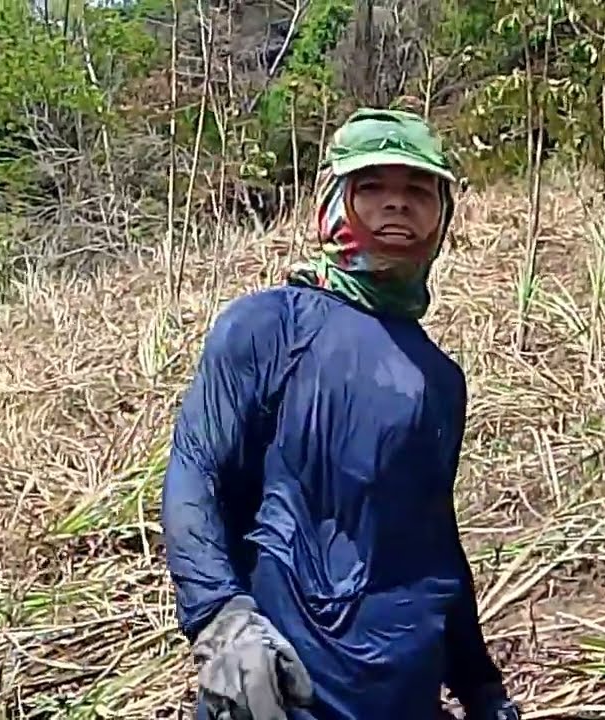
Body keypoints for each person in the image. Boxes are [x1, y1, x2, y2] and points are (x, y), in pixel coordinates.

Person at [161, 108, 521, 720]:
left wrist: (483, 689)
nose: (396, 205)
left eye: (417, 190)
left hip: (405, 694)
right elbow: (195, 473)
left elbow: (436, 546)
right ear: (334, 203)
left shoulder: (441, 379)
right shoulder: (268, 326)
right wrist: (222, 619)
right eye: (372, 187)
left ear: (443, 213)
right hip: (283, 692)